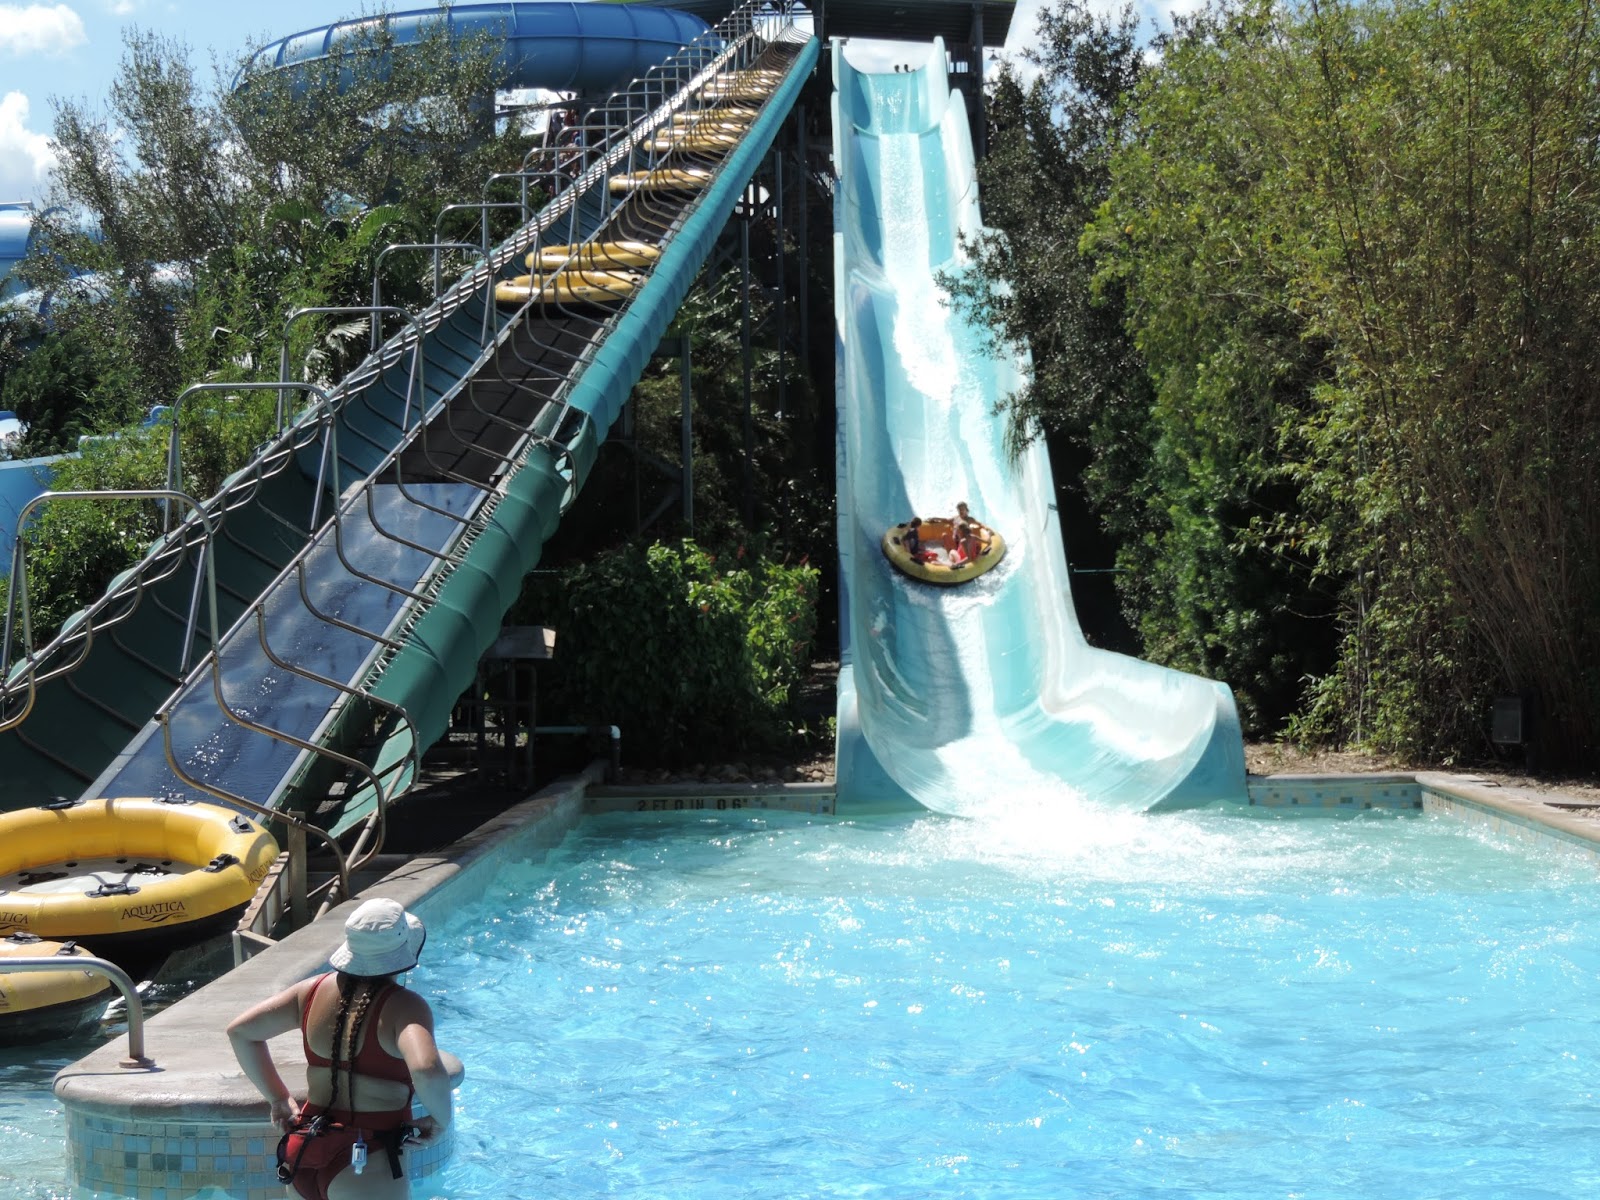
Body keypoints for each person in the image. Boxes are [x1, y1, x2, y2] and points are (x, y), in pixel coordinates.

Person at [228, 898, 460, 1200]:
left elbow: (241, 1032)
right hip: (366, 1161)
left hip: (303, 1152)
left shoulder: (310, 991)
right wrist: (441, 1118)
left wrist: (279, 1098)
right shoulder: (405, 1006)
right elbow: (427, 1068)